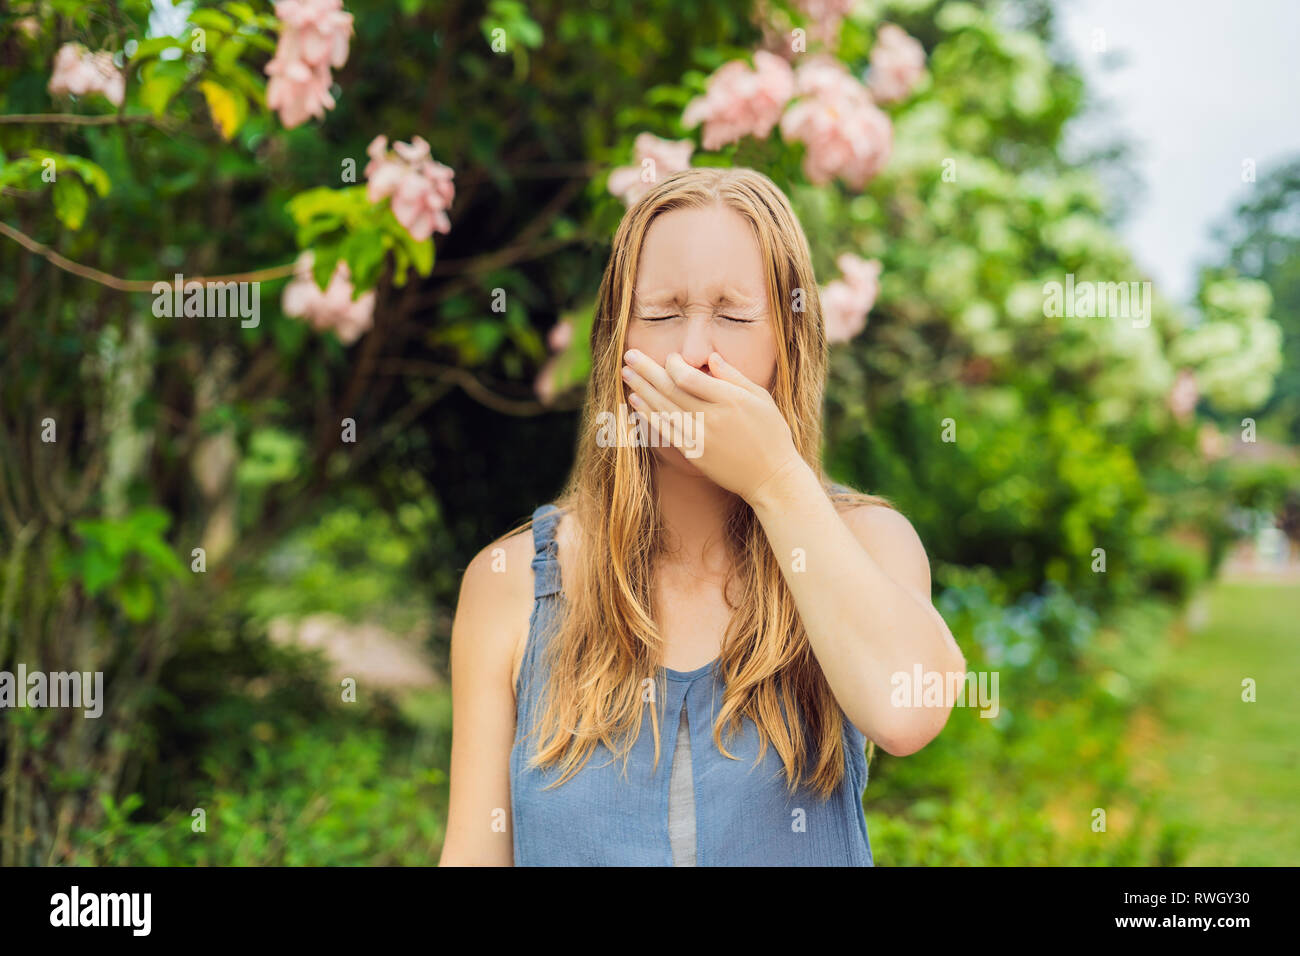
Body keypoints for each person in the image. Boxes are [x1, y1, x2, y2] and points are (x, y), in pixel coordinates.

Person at [439, 167, 966, 866]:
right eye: (660, 314)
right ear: (615, 342)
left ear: (789, 344)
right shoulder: (509, 583)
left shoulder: (866, 544)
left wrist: (776, 480)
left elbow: (907, 712)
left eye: (735, 315)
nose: (691, 353)